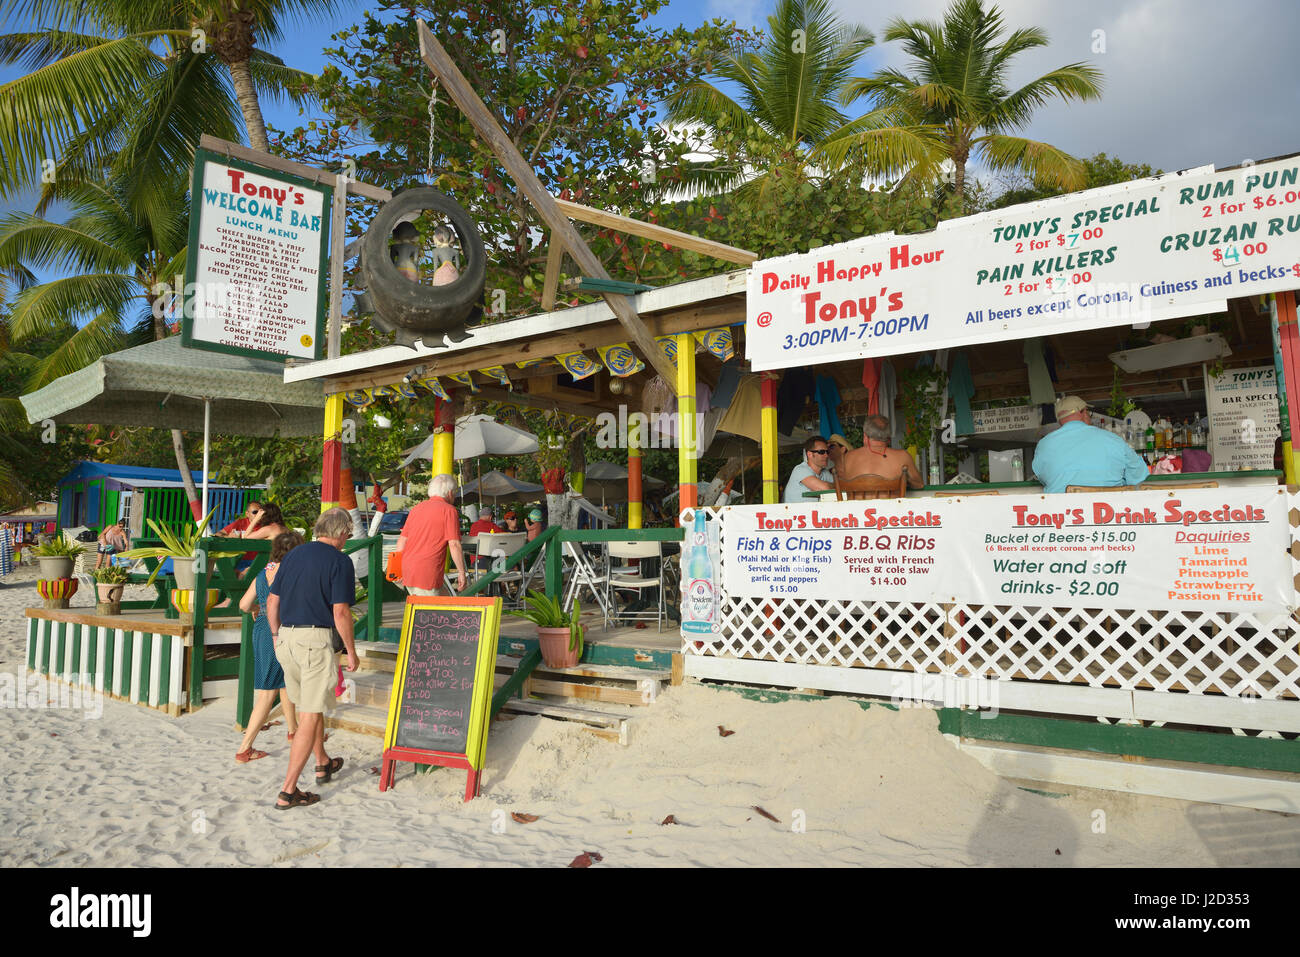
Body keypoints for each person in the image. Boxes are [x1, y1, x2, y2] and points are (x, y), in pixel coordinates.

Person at [265, 507, 359, 810]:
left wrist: (277, 636)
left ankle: (322, 762)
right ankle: (288, 791)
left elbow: (272, 599)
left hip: (287, 639)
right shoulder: (340, 562)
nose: (348, 539)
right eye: (348, 534)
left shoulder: (294, 554)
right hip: (314, 640)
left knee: (309, 706)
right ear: (342, 531)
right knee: (309, 714)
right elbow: (341, 612)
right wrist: (351, 651)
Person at [234, 530, 303, 763]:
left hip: (262, 627)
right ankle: (245, 748)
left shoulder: (264, 573)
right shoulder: (291, 572)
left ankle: (293, 730)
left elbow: (243, 605)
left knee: (283, 682)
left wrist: (258, 609)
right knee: (267, 693)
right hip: (279, 630)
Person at [1032, 395, 1149, 493]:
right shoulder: (1112, 439)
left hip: (1061, 515)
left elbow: (1042, 477)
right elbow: (1138, 475)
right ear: (1084, 412)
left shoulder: (1044, 445)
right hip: (1109, 513)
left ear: (1059, 419)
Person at [392, 473, 468, 597]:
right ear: (450, 493)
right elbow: (454, 544)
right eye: (454, 493)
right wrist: (461, 572)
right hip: (428, 571)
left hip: (409, 569)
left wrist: (397, 568)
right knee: (430, 613)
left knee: (444, 603)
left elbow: (402, 541)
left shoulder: (416, 509)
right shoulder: (449, 510)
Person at [841, 415, 924, 490]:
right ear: (888, 436)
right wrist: (902, 480)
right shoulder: (903, 456)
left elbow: (842, 485)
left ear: (865, 436)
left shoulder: (848, 457)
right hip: (891, 507)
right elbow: (919, 484)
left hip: (857, 507)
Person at [784, 436, 835, 503]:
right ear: (809, 454)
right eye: (821, 452)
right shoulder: (800, 470)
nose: (826, 455)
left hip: (812, 512)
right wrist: (832, 485)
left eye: (827, 452)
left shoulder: (824, 472)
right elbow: (825, 488)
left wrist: (834, 485)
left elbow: (841, 485)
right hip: (792, 512)